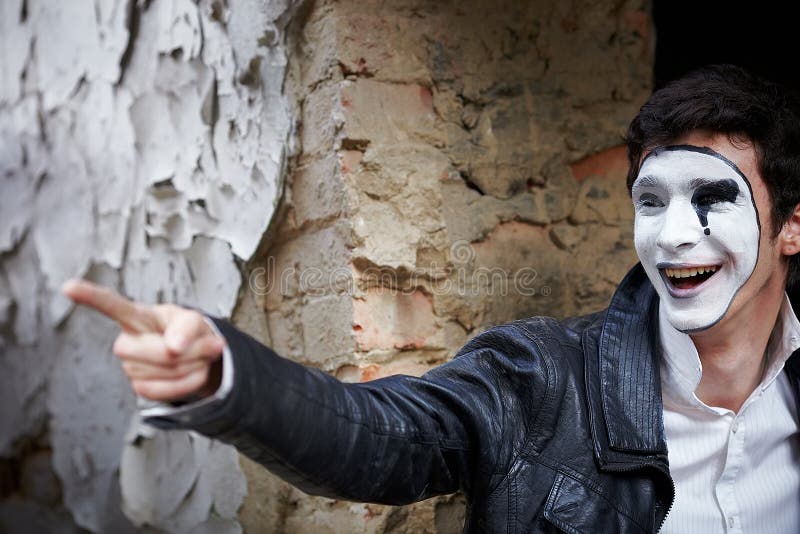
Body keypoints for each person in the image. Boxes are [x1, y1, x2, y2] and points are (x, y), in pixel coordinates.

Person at [63, 64, 800, 532]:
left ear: (791, 226)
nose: (673, 236)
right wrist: (228, 377)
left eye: (711, 199)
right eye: (650, 201)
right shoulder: (539, 377)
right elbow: (386, 436)